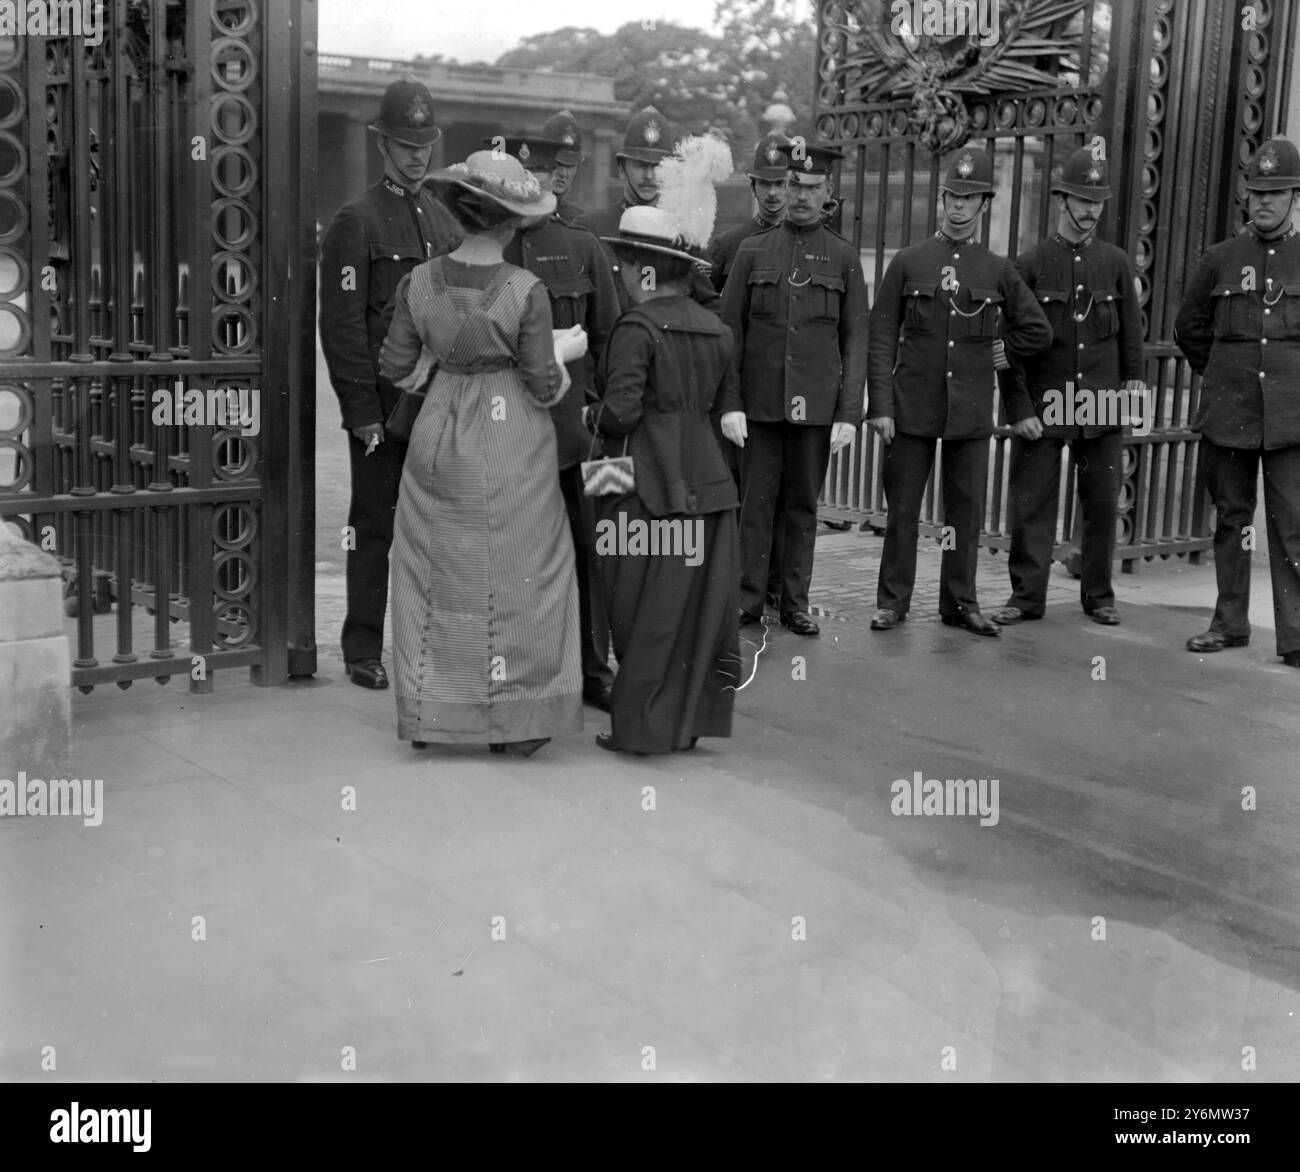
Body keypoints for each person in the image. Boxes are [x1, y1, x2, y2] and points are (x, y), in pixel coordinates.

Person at [378, 152, 586, 755]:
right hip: (510, 434)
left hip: (439, 432)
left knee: (434, 572)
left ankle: (431, 712)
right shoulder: (526, 290)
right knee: (524, 572)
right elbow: (543, 383)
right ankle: (516, 723)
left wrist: (444, 363)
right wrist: (560, 354)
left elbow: (394, 366)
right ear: (509, 222)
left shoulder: (418, 280)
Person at [866, 148, 1052, 637]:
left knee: (963, 513)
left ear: (984, 205)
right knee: (903, 509)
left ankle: (959, 603)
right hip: (912, 406)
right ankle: (893, 602)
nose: (959, 206)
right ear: (941, 198)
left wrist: (998, 353)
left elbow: (1037, 330)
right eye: (953, 195)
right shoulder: (908, 262)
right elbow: (882, 333)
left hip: (969, 409)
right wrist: (881, 406)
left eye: (971, 199)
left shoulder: (996, 269)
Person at [319, 78, 463, 690]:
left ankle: (425, 645)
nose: (416, 154)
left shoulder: (442, 218)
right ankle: (362, 650)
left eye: (424, 141)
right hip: (384, 406)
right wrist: (361, 410)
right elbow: (343, 325)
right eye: (405, 142)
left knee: (435, 529)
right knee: (375, 525)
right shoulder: (356, 220)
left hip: (437, 405)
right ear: (382, 142)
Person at [586, 205, 740, 754]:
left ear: (646, 269)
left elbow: (620, 413)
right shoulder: (716, 330)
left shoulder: (637, 326)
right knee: (695, 608)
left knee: (633, 604)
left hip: (635, 479)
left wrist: (587, 415)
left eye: (626, 264)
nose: (622, 276)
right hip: (707, 481)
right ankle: (686, 723)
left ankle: (640, 727)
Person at [488, 132, 621, 711]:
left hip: (579, 435)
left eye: (542, 176)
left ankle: (594, 669)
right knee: (510, 553)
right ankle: (513, 670)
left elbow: (614, 337)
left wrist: (602, 411)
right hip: (503, 434)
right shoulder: (483, 249)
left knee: (594, 548)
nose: (534, 187)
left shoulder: (583, 246)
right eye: (524, 177)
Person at [719, 140, 868, 637]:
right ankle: (747, 598)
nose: (800, 196)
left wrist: (849, 413)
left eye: (811, 188)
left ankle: (794, 602)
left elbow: (856, 339)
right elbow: (732, 332)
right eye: (793, 185)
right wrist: (731, 404)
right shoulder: (752, 251)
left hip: (816, 407)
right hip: (760, 405)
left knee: (803, 507)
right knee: (755, 507)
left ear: (829, 193)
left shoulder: (844, 258)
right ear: (782, 186)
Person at [992, 144, 1145, 629]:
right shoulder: (1029, 264)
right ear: (1061, 199)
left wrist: (1131, 404)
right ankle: (1026, 597)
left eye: (1096, 202)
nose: (1088, 211)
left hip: (1101, 403)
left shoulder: (1116, 263)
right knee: (1033, 503)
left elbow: (1132, 342)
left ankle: (1099, 594)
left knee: (1101, 502)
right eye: (1080, 200)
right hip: (1045, 402)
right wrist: (1019, 408)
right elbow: (1007, 346)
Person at [1175, 135, 1300, 668]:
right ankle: (1229, 622)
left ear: (1296, 198)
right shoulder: (1221, 259)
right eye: (1257, 192)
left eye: (1276, 193)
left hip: (1292, 417)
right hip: (1229, 413)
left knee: (1292, 525)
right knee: (1232, 519)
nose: (1264, 201)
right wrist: (1224, 373)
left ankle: (1295, 637)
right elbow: (1189, 327)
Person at [577, 107, 721, 313]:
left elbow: (711, 307)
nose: (649, 176)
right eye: (640, 165)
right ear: (621, 167)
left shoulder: (682, 235)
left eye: (657, 165)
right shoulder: (591, 229)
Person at [706, 132, 791, 291]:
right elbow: (704, 302)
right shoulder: (726, 245)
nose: (772, 192)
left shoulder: (805, 241)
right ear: (753, 187)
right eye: (764, 183)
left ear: (792, 186)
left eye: (780, 183)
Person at [541, 109, 587, 224]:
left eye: (570, 166)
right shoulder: (521, 208)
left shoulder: (577, 219)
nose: (563, 173)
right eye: (558, 164)